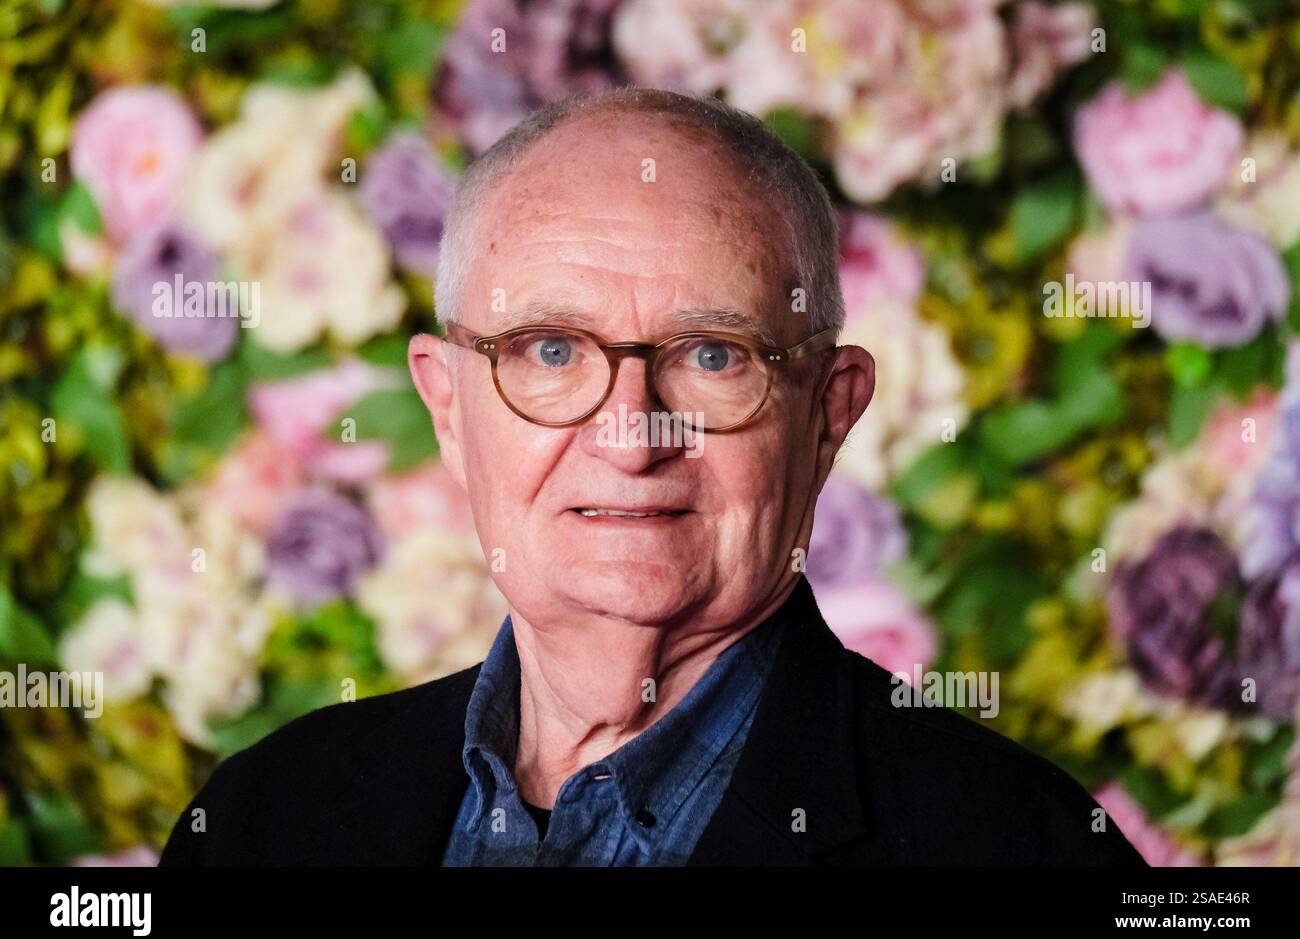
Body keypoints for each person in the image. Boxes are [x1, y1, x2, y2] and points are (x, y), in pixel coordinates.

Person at [160, 88, 1144, 866]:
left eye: (713, 355)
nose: (632, 434)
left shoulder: (1018, 846)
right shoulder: (264, 818)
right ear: (447, 406)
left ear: (829, 412)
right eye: (549, 351)